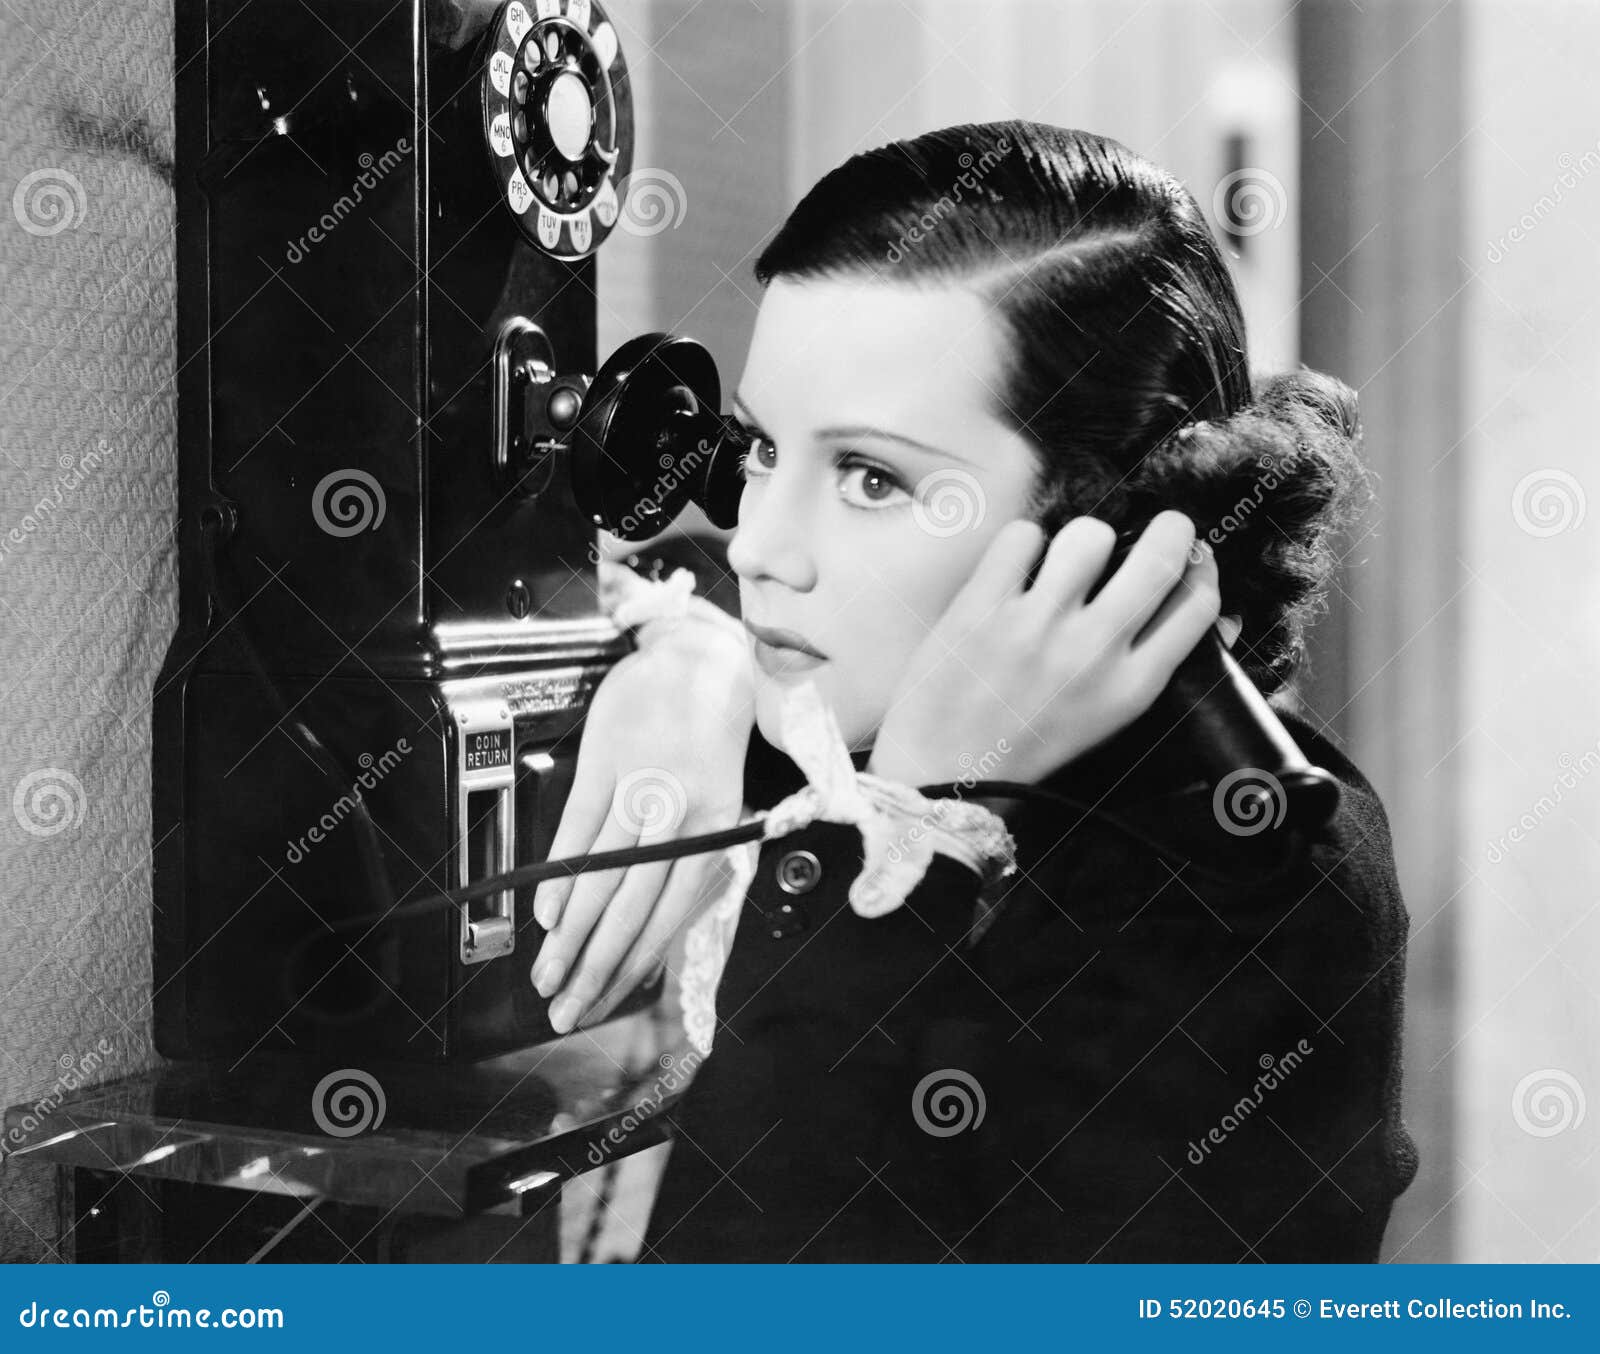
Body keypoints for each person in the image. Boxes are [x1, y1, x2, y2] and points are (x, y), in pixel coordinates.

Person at [529, 122, 1418, 1261]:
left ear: (1099, 531)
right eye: (758, 450)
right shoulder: (825, 686)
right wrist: (687, 660)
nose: (758, 546)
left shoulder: (1260, 893)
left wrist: (915, 821)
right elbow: (683, 573)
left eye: (869, 476)